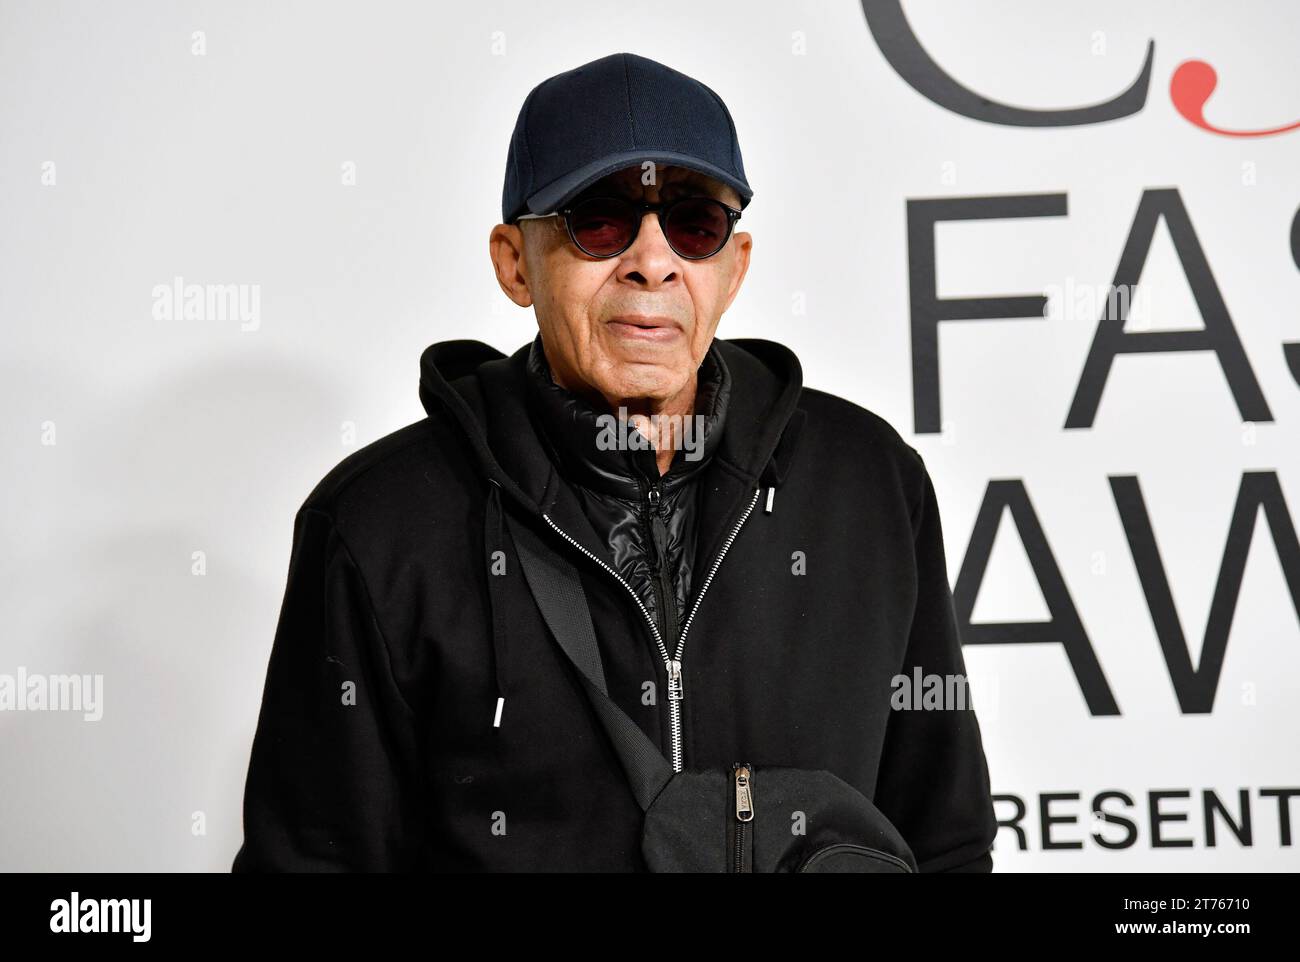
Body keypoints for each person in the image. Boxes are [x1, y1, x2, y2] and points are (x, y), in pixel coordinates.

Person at [232, 51, 997, 872]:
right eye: (599, 218)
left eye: (694, 222)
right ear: (513, 262)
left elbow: (944, 841)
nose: (652, 259)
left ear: (733, 267)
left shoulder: (869, 485)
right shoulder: (379, 525)